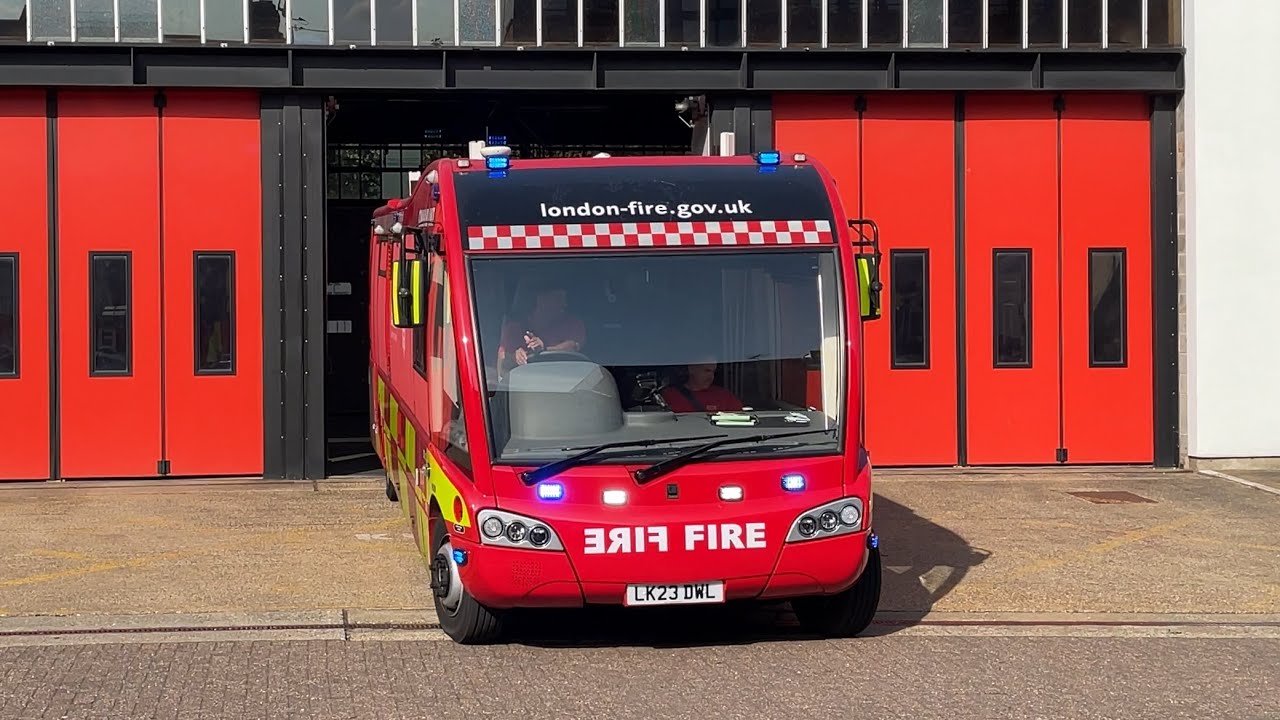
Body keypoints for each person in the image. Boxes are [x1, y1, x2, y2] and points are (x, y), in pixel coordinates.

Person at [497, 283, 586, 375]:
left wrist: (544, 349)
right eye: (558, 299)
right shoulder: (513, 330)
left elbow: (572, 346)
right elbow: (502, 364)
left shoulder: (572, 324)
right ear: (541, 300)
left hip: (566, 382)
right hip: (522, 385)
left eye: (564, 300)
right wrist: (515, 357)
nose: (564, 304)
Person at [661, 355, 743, 413]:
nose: (711, 376)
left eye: (713, 372)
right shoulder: (669, 396)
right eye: (707, 371)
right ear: (691, 369)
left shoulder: (725, 396)